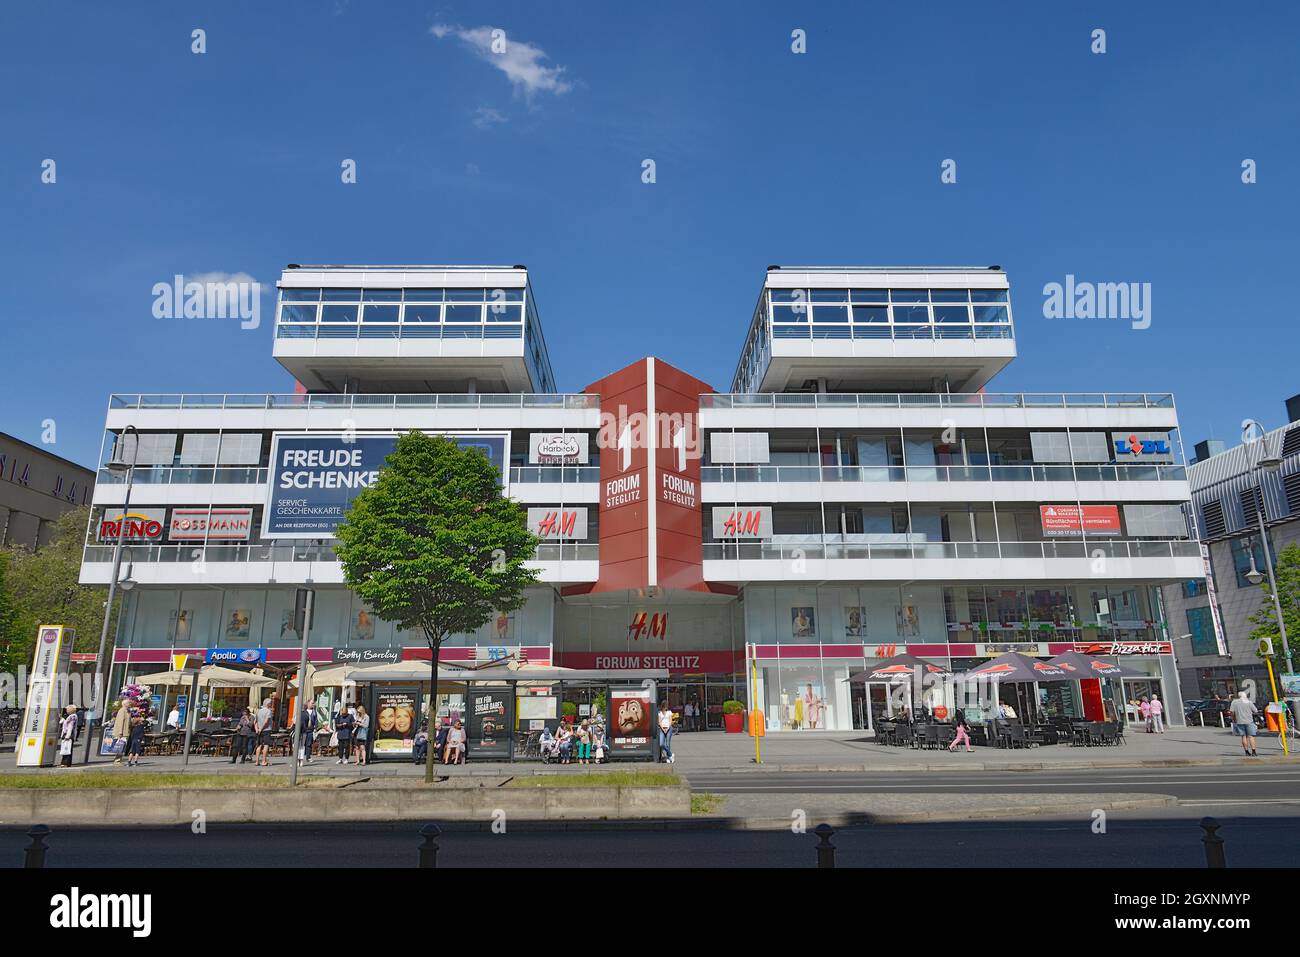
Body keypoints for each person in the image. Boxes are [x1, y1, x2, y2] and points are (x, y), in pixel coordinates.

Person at [1229, 691, 1259, 757]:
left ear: (1239, 696)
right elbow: (1255, 710)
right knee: (1251, 736)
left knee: (1243, 736)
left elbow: (1231, 712)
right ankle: (1254, 752)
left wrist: (1233, 719)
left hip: (1239, 721)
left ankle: (1246, 752)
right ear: (1245, 696)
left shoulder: (1234, 702)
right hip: (1249, 721)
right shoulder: (1249, 702)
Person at [125, 702, 147, 767]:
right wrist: (142, 719)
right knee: (137, 752)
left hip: (133, 740)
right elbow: (146, 722)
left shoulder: (133, 727)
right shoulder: (141, 726)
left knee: (132, 751)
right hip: (138, 740)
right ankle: (136, 762)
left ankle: (129, 762)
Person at [110, 699, 132, 765]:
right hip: (121, 732)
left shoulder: (127, 711)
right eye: (128, 703)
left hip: (125, 732)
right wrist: (120, 732)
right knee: (119, 746)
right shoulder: (122, 711)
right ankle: (117, 761)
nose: (130, 704)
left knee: (122, 746)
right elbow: (120, 722)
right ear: (125, 704)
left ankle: (119, 760)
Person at [253, 697, 273, 767]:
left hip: (258, 730)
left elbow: (255, 721)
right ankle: (264, 761)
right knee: (266, 745)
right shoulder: (269, 711)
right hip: (266, 730)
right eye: (271, 703)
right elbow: (266, 721)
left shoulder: (258, 711)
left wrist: (256, 729)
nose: (271, 704)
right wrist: (261, 728)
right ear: (268, 704)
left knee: (259, 745)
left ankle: (257, 761)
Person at [298, 699, 318, 765]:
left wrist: (315, 728)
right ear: (308, 703)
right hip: (304, 730)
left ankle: (308, 757)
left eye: (313, 703)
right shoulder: (304, 711)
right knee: (302, 744)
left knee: (309, 744)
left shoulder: (314, 712)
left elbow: (316, 721)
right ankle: (300, 757)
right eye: (312, 703)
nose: (313, 704)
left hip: (310, 729)